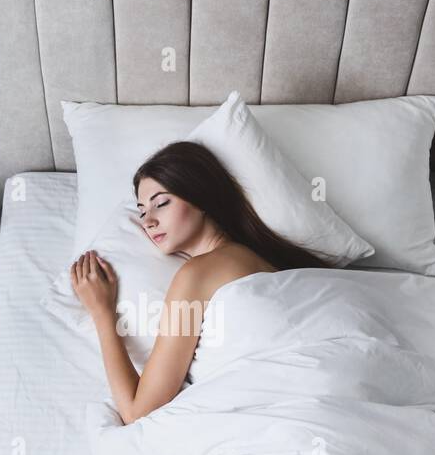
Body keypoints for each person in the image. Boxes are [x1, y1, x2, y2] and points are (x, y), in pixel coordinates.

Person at [71, 140, 329, 424]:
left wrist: (103, 314)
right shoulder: (254, 256)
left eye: (161, 203)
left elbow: (137, 412)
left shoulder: (197, 275)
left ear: (201, 199)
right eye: (142, 211)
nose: (148, 221)